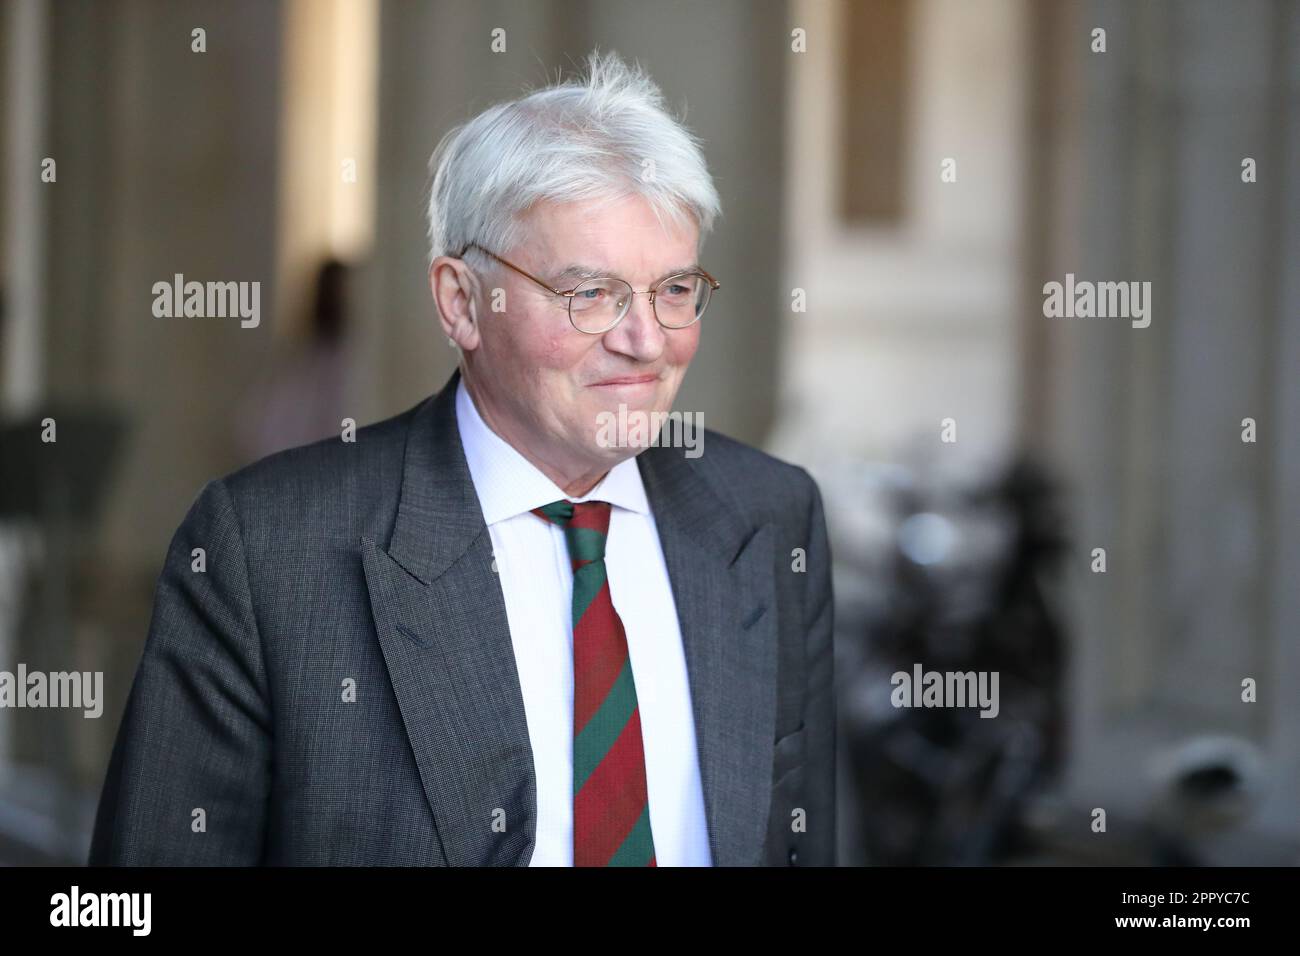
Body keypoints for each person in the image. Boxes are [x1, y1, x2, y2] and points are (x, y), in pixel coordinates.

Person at [89, 50, 835, 867]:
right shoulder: (269, 550)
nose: (646, 342)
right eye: (590, 294)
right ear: (462, 302)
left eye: (675, 290)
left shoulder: (770, 516)